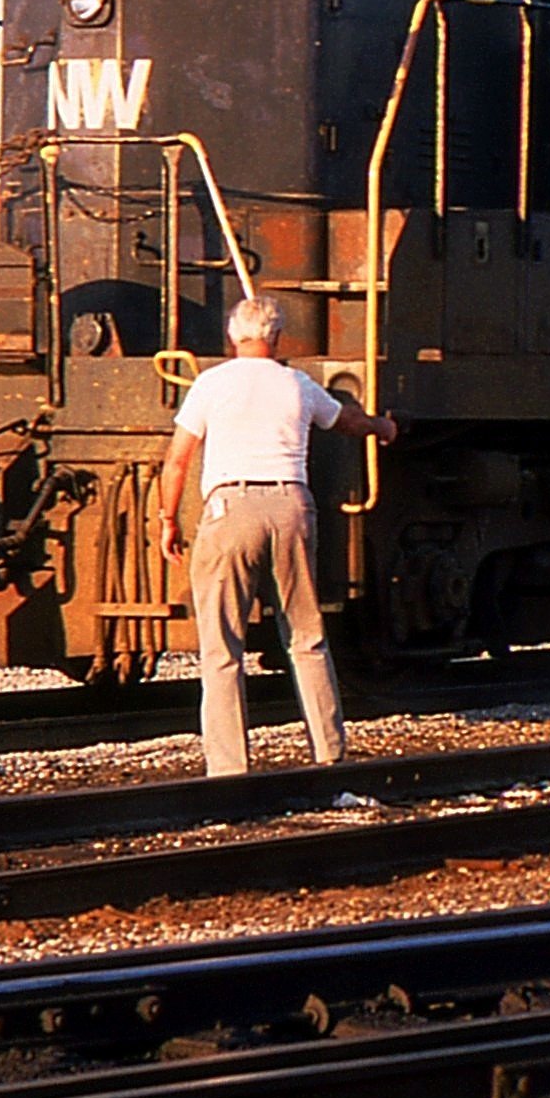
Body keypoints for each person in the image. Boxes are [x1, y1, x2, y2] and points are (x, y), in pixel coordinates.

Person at [157, 297, 397, 777]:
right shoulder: (297, 384)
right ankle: (329, 752)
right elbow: (347, 421)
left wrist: (168, 519)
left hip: (230, 507)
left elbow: (177, 460)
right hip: (292, 507)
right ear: (278, 337)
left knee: (222, 646)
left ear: (233, 337)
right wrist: (382, 426)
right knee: (307, 636)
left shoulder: (210, 384)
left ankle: (229, 768)